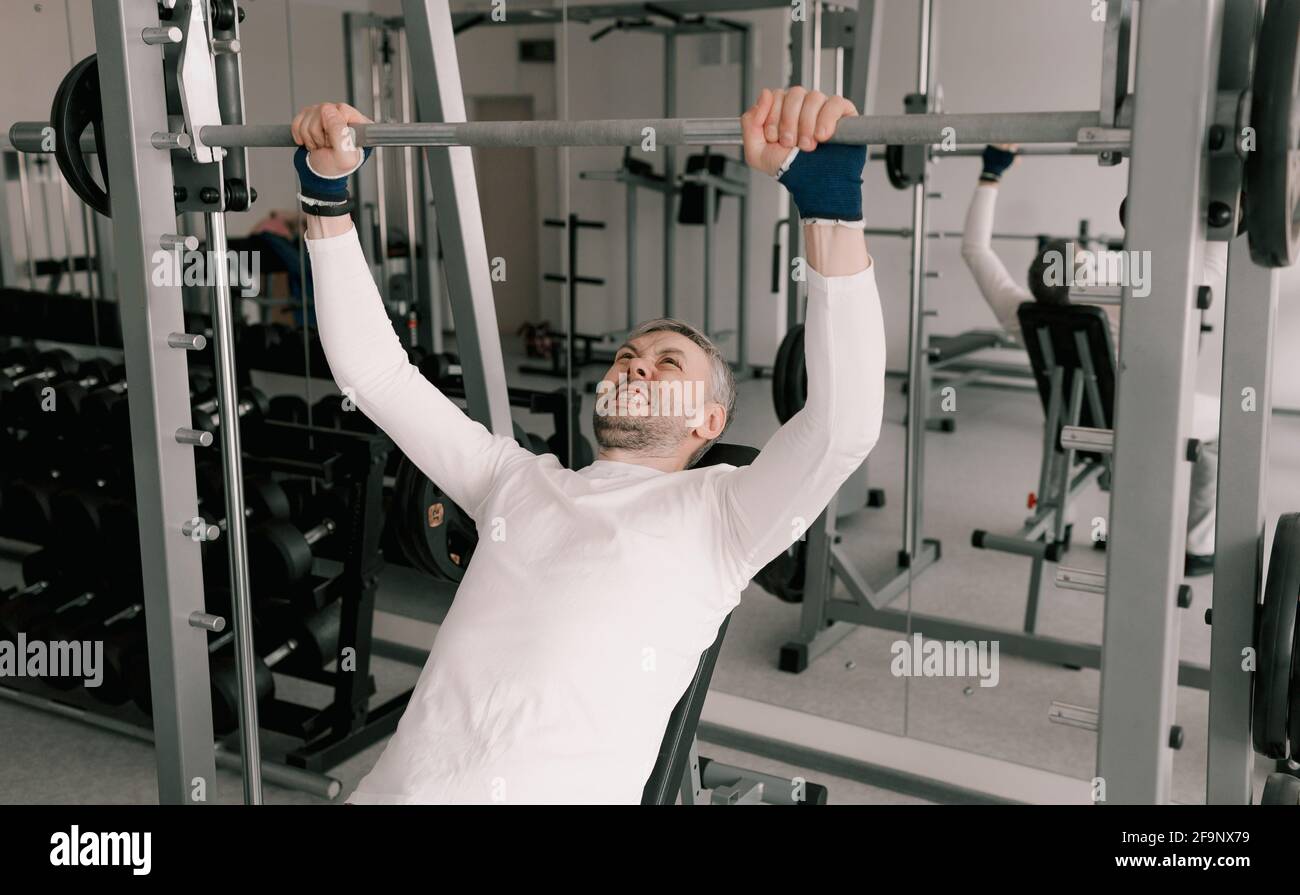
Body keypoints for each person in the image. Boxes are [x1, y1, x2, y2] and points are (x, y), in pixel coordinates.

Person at [291, 86, 886, 803]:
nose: (636, 364)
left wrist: (828, 209)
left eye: (668, 364)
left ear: (709, 423)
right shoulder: (510, 479)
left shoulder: (723, 517)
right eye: (628, 355)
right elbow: (376, 373)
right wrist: (326, 196)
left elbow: (842, 425)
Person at [961, 145, 1221, 577]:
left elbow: (975, 251)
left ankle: (1057, 523)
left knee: (1078, 413)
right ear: (1087, 272)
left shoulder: (1026, 314)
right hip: (1145, 427)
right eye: (1085, 254)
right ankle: (1199, 547)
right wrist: (1224, 208)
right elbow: (1209, 270)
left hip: (1073, 426)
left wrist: (991, 174)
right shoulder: (1128, 300)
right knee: (1228, 427)